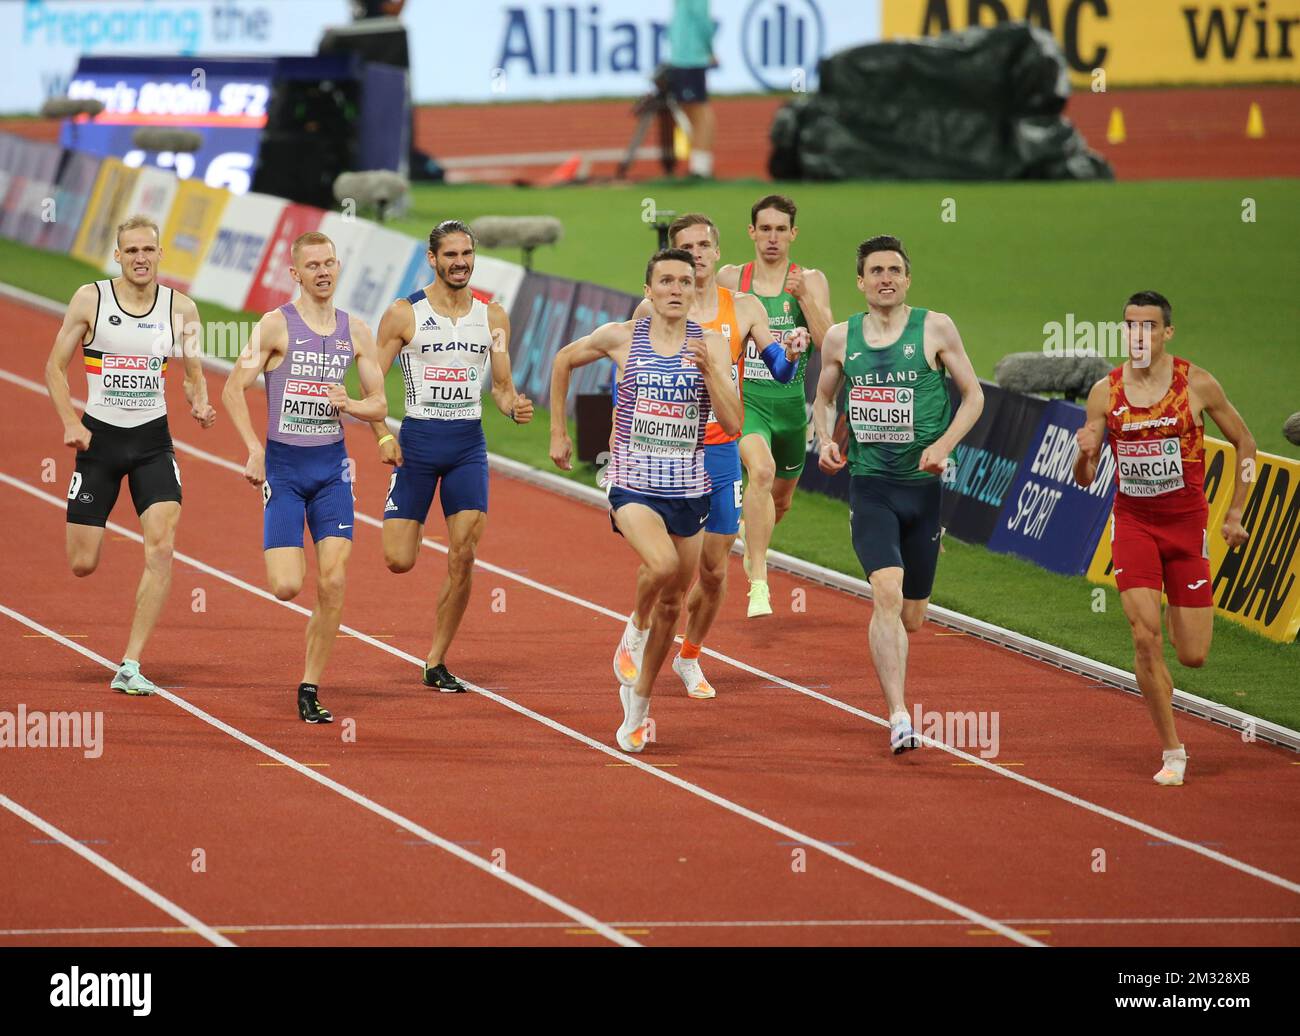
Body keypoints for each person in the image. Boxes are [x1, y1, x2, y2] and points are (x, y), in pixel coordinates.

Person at [550, 248, 741, 751]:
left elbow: (736, 423)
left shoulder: (711, 347)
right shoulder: (621, 338)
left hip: (689, 488)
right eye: (666, 281)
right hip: (632, 482)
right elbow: (563, 360)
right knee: (658, 565)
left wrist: (711, 374)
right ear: (649, 291)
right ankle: (632, 627)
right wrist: (558, 433)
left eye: (685, 280)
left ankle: (639, 703)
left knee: (675, 601)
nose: (677, 289)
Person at [1074, 290, 1255, 786]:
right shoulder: (1104, 393)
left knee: (1192, 654)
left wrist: (1234, 511)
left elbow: (1245, 441)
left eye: (1149, 326)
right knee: (1142, 637)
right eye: (1130, 326)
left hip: (1185, 527)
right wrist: (1085, 453)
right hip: (1132, 524)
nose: (1139, 335)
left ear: (1167, 332)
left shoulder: (1196, 383)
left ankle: (1173, 643)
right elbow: (1085, 477)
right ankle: (1173, 749)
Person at [813, 236, 983, 754]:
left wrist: (944, 445)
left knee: (912, 615)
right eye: (876, 271)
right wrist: (823, 439)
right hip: (871, 488)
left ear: (907, 279)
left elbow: (974, 396)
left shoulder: (935, 327)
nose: (885, 278)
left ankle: (931, 549)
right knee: (885, 591)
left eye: (894, 270)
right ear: (860, 282)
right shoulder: (840, 339)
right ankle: (899, 716)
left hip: (923, 491)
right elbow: (822, 398)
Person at [631, 213, 807, 698]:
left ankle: (690, 655)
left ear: (716, 250)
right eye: (687, 247)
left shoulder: (744, 307)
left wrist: (791, 352)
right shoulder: (651, 311)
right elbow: (627, 369)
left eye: (705, 245)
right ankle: (643, 623)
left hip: (720, 451)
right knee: (669, 566)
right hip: (668, 453)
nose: (698, 253)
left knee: (712, 569)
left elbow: (779, 368)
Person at [44, 214, 216, 695]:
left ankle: (131, 663)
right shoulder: (90, 299)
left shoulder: (181, 309)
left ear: (161, 255)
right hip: (98, 441)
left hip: (152, 444)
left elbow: (193, 371)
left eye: (149, 250)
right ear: (118, 256)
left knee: (161, 545)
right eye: (132, 251)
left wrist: (199, 403)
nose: (141, 258)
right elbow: (55, 368)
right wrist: (71, 424)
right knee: (83, 563)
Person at [222, 231, 386, 723]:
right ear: (295, 273)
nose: (323, 271)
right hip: (286, 471)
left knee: (333, 580)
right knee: (287, 587)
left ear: (339, 268)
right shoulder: (276, 326)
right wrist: (254, 449)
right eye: (312, 265)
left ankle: (310, 685)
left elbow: (379, 403)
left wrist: (351, 406)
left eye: (330, 263)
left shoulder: (356, 330)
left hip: (333, 471)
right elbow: (233, 388)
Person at [370, 220, 533, 692]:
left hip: (467, 446)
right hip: (417, 445)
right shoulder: (404, 314)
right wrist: (383, 434)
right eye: (451, 255)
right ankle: (413, 519)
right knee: (398, 560)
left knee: (463, 554)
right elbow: (372, 384)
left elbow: (501, 387)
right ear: (433, 259)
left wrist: (513, 405)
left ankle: (436, 659)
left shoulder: (493, 316)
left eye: (467, 254)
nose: (460, 263)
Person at [718, 194, 833, 616]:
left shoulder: (812, 280)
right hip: (749, 406)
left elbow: (828, 344)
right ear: (751, 232)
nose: (772, 238)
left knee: (780, 502)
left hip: (790, 410)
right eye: (764, 229)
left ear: (793, 234)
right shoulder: (731, 278)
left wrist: (806, 301)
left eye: (780, 230)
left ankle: (752, 538)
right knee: (761, 472)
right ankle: (760, 584)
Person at [666, 0, 717, 179]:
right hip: (683, 57)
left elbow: (703, 22)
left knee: (699, 112)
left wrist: (708, 50)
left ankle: (701, 167)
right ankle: (699, 164)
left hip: (691, 58)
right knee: (690, 111)